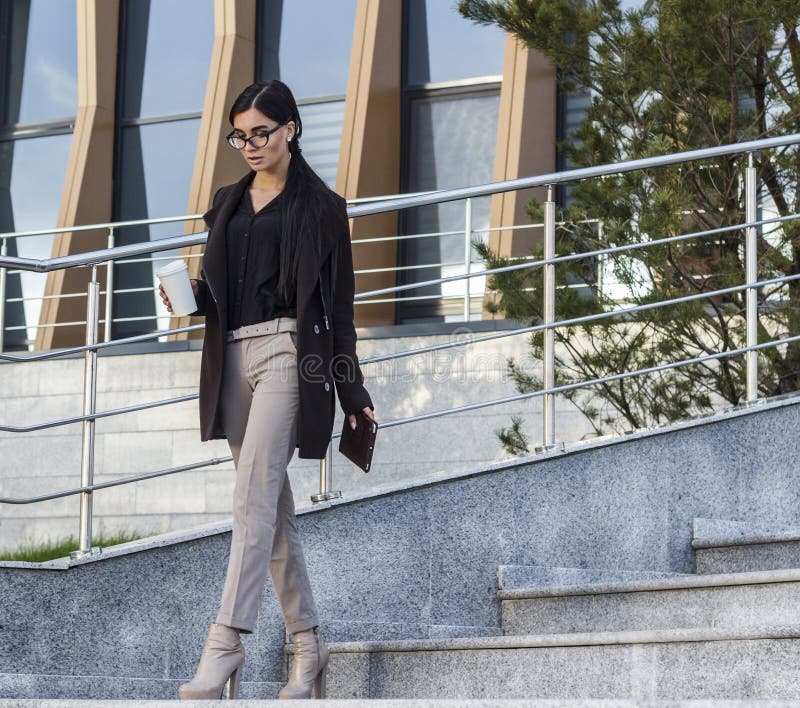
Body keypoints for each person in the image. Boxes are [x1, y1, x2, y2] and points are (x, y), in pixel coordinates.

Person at [159, 80, 375, 700]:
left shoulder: (322, 208)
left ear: (292, 130)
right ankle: (308, 644)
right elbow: (219, 290)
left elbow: (338, 308)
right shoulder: (227, 202)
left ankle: (225, 642)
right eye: (240, 135)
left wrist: (351, 392)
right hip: (231, 357)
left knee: (252, 496)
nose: (250, 145)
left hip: (288, 353)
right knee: (272, 512)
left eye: (261, 132)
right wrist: (186, 296)